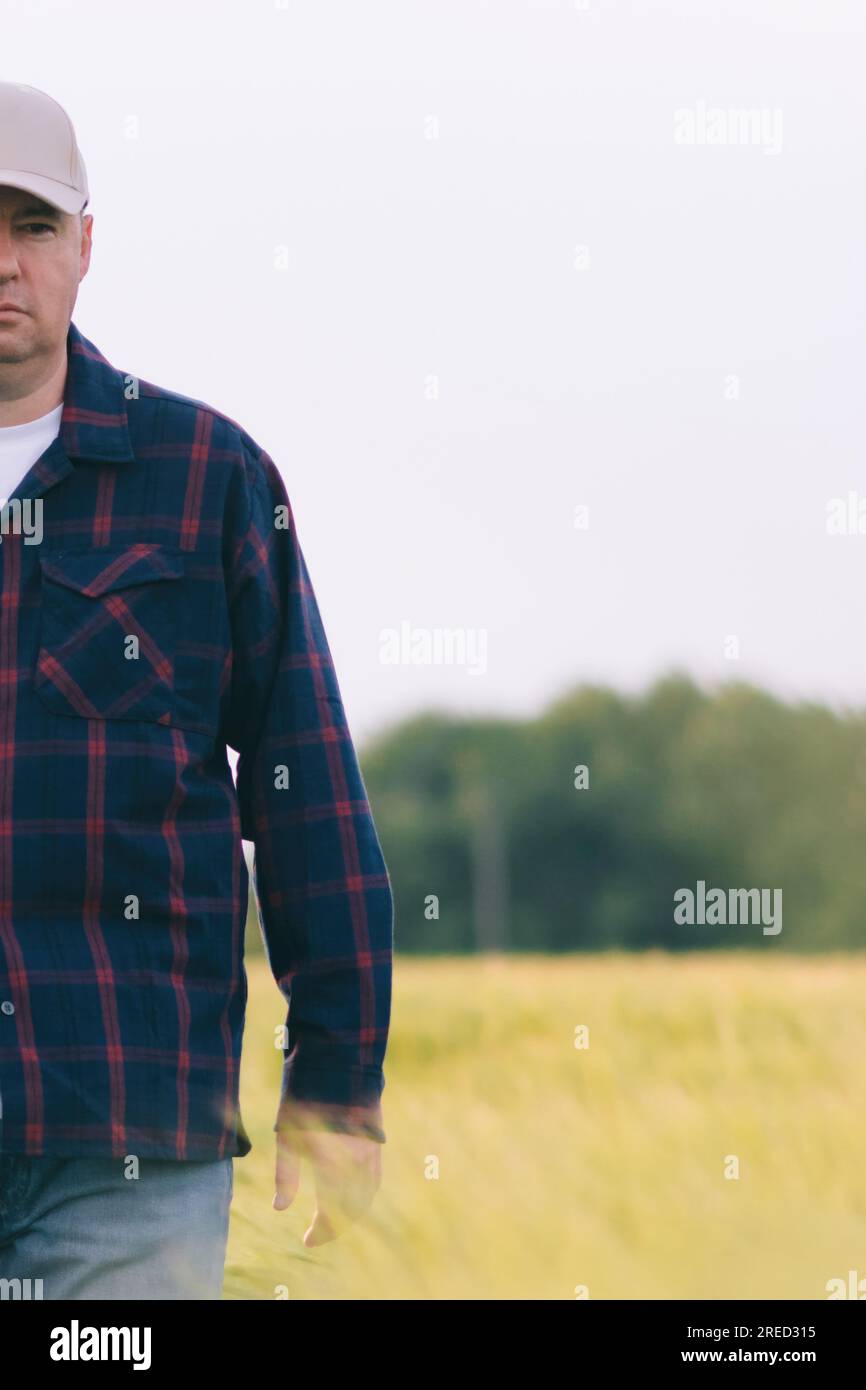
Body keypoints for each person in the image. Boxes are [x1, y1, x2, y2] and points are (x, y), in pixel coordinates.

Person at [0, 82, 393, 1300]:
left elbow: (308, 794)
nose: (1, 262)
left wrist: (335, 1081)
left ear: (86, 243)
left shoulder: (208, 479)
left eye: (29, 225)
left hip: (124, 1142)